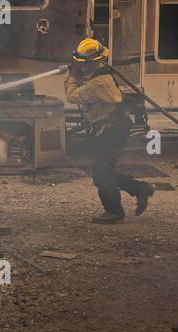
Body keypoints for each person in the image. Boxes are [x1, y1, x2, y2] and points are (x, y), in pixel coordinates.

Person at [65, 37, 154, 224]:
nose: (81, 66)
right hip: (107, 127)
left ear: (95, 61)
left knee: (100, 170)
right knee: (107, 170)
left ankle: (114, 211)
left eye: (83, 63)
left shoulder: (99, 83)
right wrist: (77, 72)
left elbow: (73, 96)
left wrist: (72, 76)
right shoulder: (96, 74)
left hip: (113, 129)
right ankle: (140, 189)